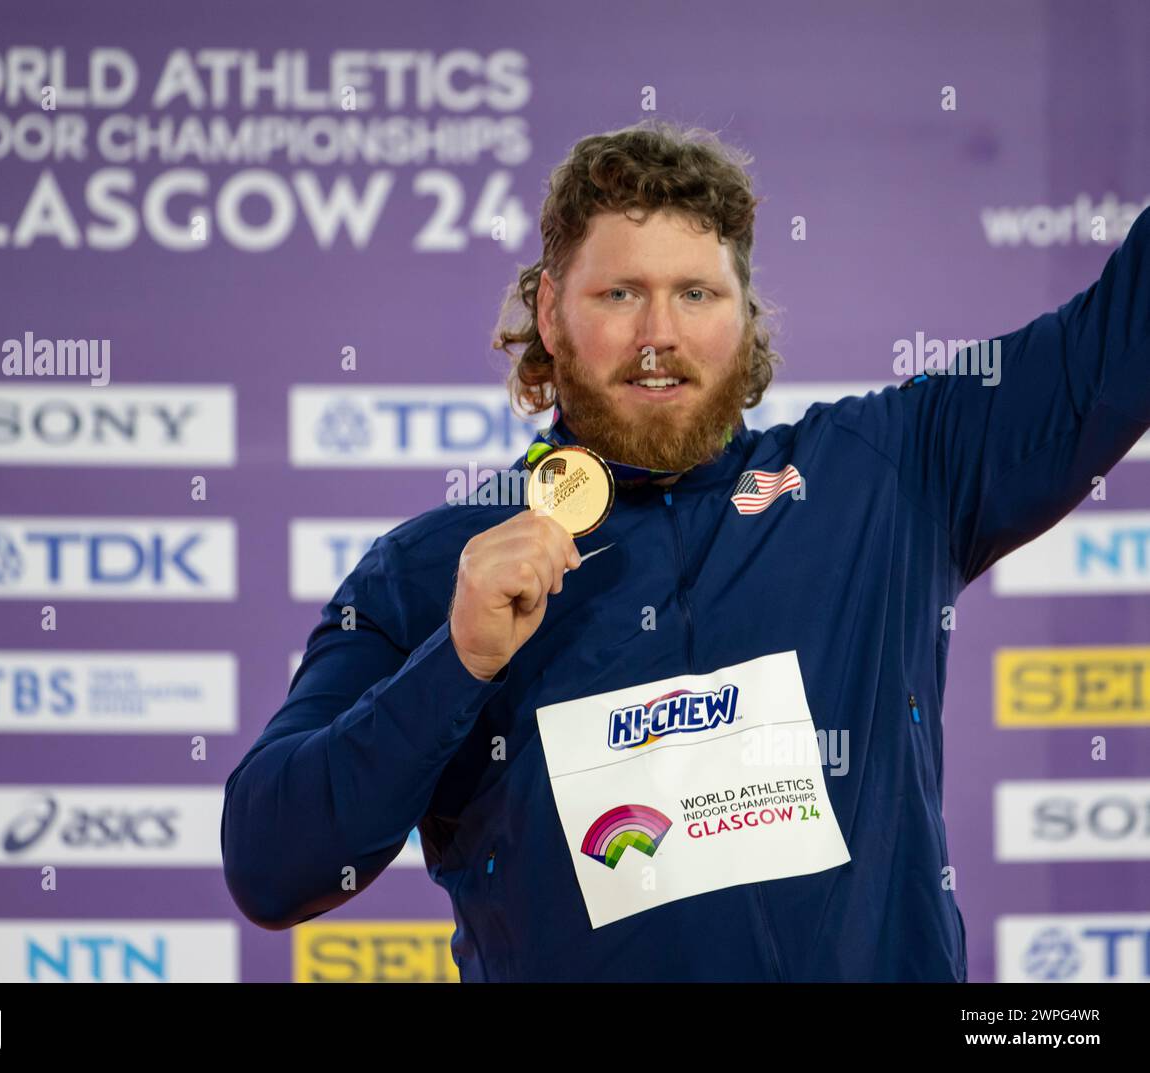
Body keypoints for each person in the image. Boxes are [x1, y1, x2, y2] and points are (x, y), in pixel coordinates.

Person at [221, 120, 1150, 982]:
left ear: (743, 314)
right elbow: (271, 868)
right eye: (619, 293)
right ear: (550, 313)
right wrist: (455, 663)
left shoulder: (890, 473)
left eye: (695, 293)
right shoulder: (435, 571)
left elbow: (1124, 334)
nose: (658, 335)